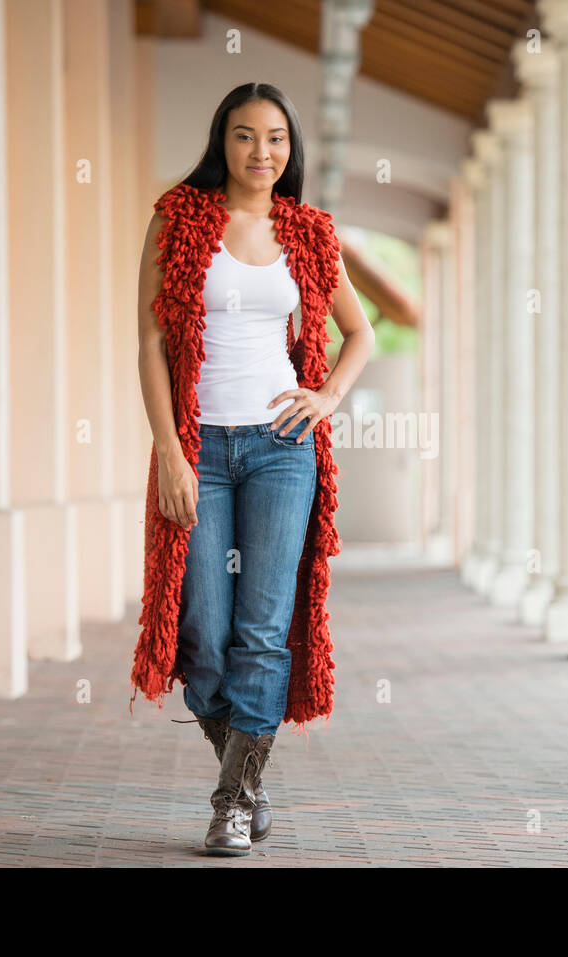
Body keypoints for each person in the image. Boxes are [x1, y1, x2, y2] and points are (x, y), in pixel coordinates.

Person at [134, 82, 375, 856]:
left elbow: (358, 331)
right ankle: (250, 781)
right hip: (199, 450)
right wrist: (169, 448)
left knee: (263, 632)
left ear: (290, 150)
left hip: (280, 449)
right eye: (245, 136)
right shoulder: (179, 217)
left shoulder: (305, 231)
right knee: (202, 633)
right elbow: (149, 342)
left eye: (276, 139)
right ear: (222, 142)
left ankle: (233, 802)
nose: (261, 152)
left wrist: (327, 395)